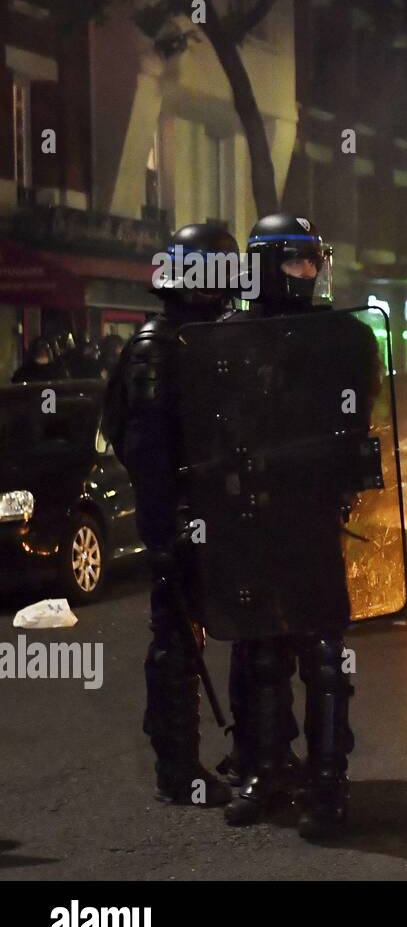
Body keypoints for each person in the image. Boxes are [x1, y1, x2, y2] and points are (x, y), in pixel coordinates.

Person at [213, 213, 379, 839]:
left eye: (313, 261)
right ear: (263, 265)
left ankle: (328, 783)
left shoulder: (343, 337)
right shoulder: (227, 338)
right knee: (259, 649)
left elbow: (352, 426)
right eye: (294, 261)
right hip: (252, 515)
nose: (307, 273)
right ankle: (263, 769)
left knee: (325, 657)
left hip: (308, 513)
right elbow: (211, 426)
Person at [101, 223, 240, 808]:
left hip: (218, 511)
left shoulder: (205, 341)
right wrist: (162, 536)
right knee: (177, 640)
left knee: (235, 630)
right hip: (182, 516)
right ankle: (178, 767)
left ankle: (254, 752)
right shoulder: (160, 348)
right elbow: (147, 450)